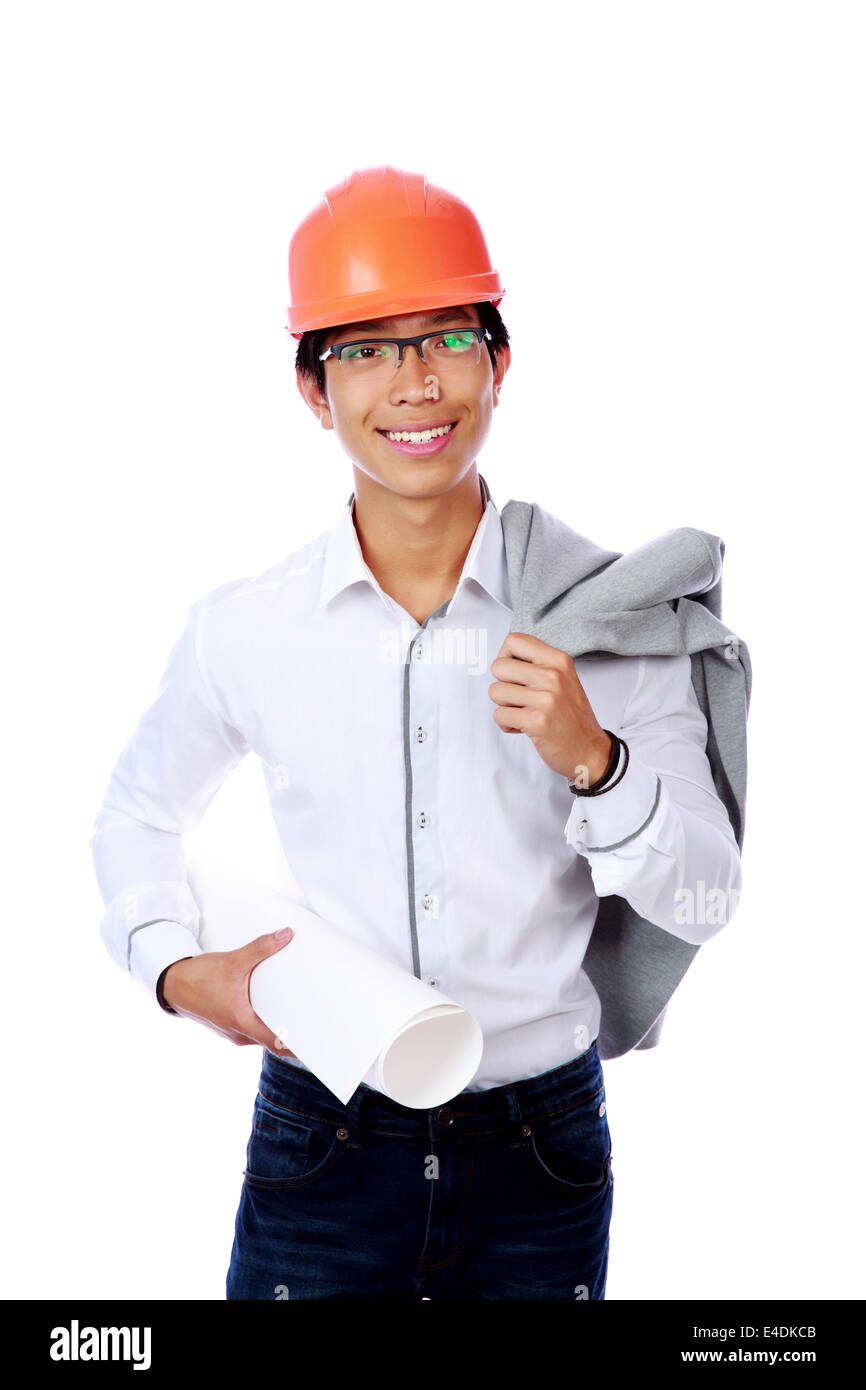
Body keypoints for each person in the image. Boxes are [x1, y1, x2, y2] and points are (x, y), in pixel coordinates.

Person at [90, 165, 744, 1301]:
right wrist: (172, 968)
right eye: (365, 348)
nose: (412, 382)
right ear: (312, 387)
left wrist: (599, 760)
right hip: (324, 1133)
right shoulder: (249, 629)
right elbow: (138, 816)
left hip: (538, 1148)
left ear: (497, 362)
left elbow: (707, 896)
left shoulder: (607, 617)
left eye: (443, 337)